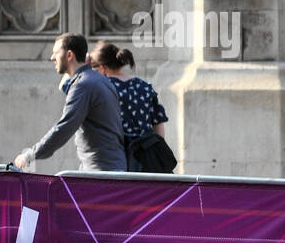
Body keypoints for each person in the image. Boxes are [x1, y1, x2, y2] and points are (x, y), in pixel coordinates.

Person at [14, 32, 127, 173]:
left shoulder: (83, 85)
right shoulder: (99, 80)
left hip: (100, 173)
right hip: (109, 168)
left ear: (69, 55)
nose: (52, 57)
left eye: (56, 52)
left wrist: (30, 154)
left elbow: (64, 128)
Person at [89, 40, 173, 172]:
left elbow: (67, 86)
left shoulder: (104, 87)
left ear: (103, 68)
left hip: (117, 155)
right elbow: (158, 123)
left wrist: (84, 63)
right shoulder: (144, 86)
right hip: (147, 155)